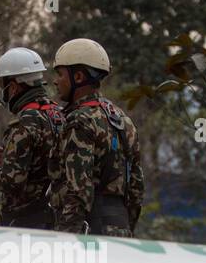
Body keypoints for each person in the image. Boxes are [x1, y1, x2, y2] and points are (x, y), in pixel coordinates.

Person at [47, 38, 143, 236]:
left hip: (88, 233)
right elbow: (136, 187)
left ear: (79, 77)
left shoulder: (79, 120)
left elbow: (77, 191)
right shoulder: (123, 119)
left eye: (60, 74)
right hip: (121, 230)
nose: (56, 81)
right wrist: (125, 228)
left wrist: (66, 239)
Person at [0, 47, 63, 229]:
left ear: (12, 88)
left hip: (27, 222)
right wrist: (10, 160)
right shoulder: (57, 114)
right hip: (55, 218)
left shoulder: (25, 122)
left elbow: (12, 183)